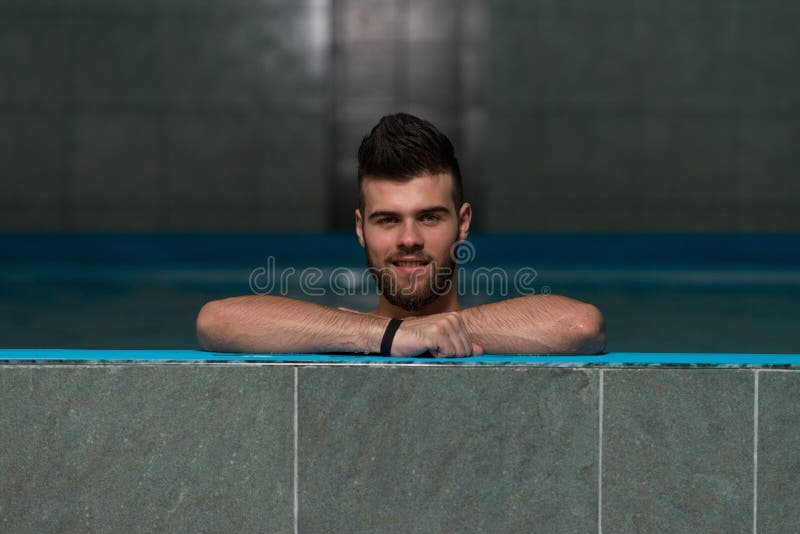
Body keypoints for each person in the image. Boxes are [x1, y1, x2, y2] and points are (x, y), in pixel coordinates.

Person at [196, 113, 606, 357]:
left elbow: (580, 325)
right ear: (360, 228)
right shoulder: (346, 332)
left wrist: (435, 330)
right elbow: (215, 321)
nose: (408, 238)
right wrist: (388, 334)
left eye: (428, 218)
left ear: (462, 223)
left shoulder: (486, 327)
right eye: (388, 220)